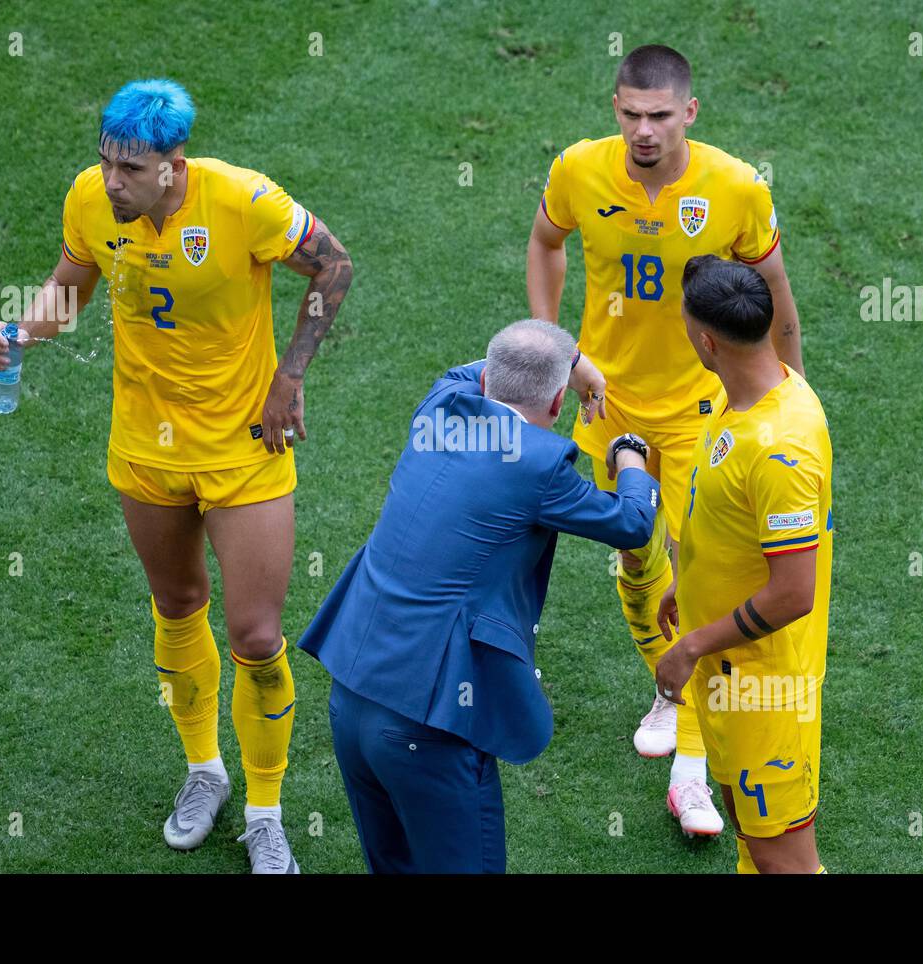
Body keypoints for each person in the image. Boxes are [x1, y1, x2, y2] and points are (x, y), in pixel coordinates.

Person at [0, 78, 353, 873]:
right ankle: (203, 771)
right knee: (177, 603)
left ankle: (264, 809)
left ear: (174, 168)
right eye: (106, 163)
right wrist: (20, 329)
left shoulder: (247, 203)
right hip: (145, 450)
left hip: (243, 447)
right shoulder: (90, 200)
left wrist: (289, 379)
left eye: (130, 170)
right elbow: (68, 293)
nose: (111, 182)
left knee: (255, 636)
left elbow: (335, 269)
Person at [526, 43, 804, 838]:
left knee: (703, 574)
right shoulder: (579, 169)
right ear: (615, 109)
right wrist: (555, 347)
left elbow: (773, 287)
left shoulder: (735, 186)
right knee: (635, 556)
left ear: (689, 112)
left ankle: (692, 773)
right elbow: (547, 243)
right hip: (607, 403)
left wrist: (794, 393)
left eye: (658, 116)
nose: (642, 131)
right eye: (629, 114)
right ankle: (668, 679)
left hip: (698, 411)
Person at [297, 320, 659, 873]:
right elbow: (632, 523)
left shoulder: (439, 407)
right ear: (560, 400)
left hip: (351, 698)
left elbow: (476, 369)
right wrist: (630, 456)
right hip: (428, 723)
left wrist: (575, 360)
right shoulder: (541, 466)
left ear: (487, 378)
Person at [655, 254, 832, 874]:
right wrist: (688, 583)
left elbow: (793, 593)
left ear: (706, 339)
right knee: (750, 842)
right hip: (729, 674)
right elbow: (735, 528)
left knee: (785, 862)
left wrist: (691, 643)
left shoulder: (780, 446)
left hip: (767, 690)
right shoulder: (743, 398)